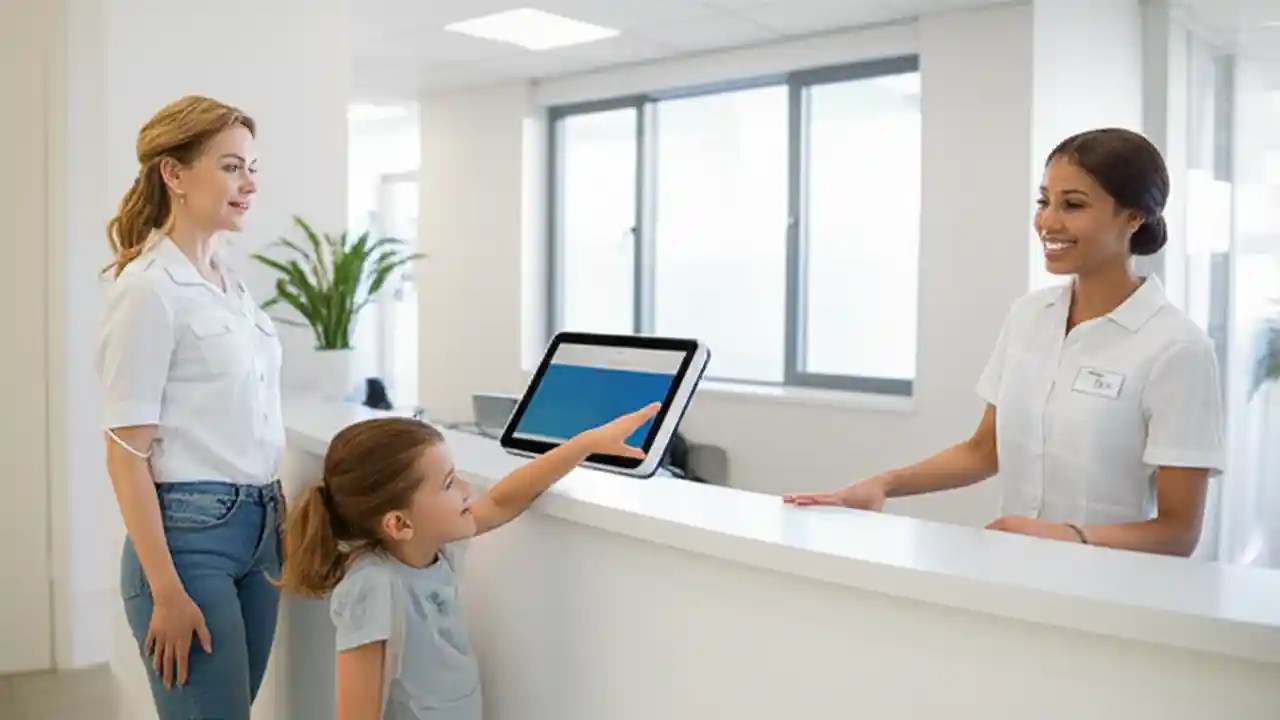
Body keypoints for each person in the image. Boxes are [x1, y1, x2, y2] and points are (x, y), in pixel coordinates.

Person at [784, 128, 1224, 557]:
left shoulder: (1177, 348)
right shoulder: (1029, 317)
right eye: (1044, 200)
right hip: (1011, 573)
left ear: (1133, 218)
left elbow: (1177, 533)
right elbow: (984, 450)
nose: (1048, 221)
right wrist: (883, 485)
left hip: (1108, 596)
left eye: (1072, 205)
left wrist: (1066, 536)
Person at [277, 403, 659, 720]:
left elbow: (502, 500)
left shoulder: (439, 547)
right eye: (448, 484)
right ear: (399, 523)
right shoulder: (372, 585)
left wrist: (585, 445)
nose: (466, 490)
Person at [96, 95, 284, 719]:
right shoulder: (149, 291)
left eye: (252, 167)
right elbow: (125, 456)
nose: (250, 183)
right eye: (232, 167)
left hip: (261, 533)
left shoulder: (230, 285)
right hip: (189, 541)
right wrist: (165, 590)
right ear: (174, 174)